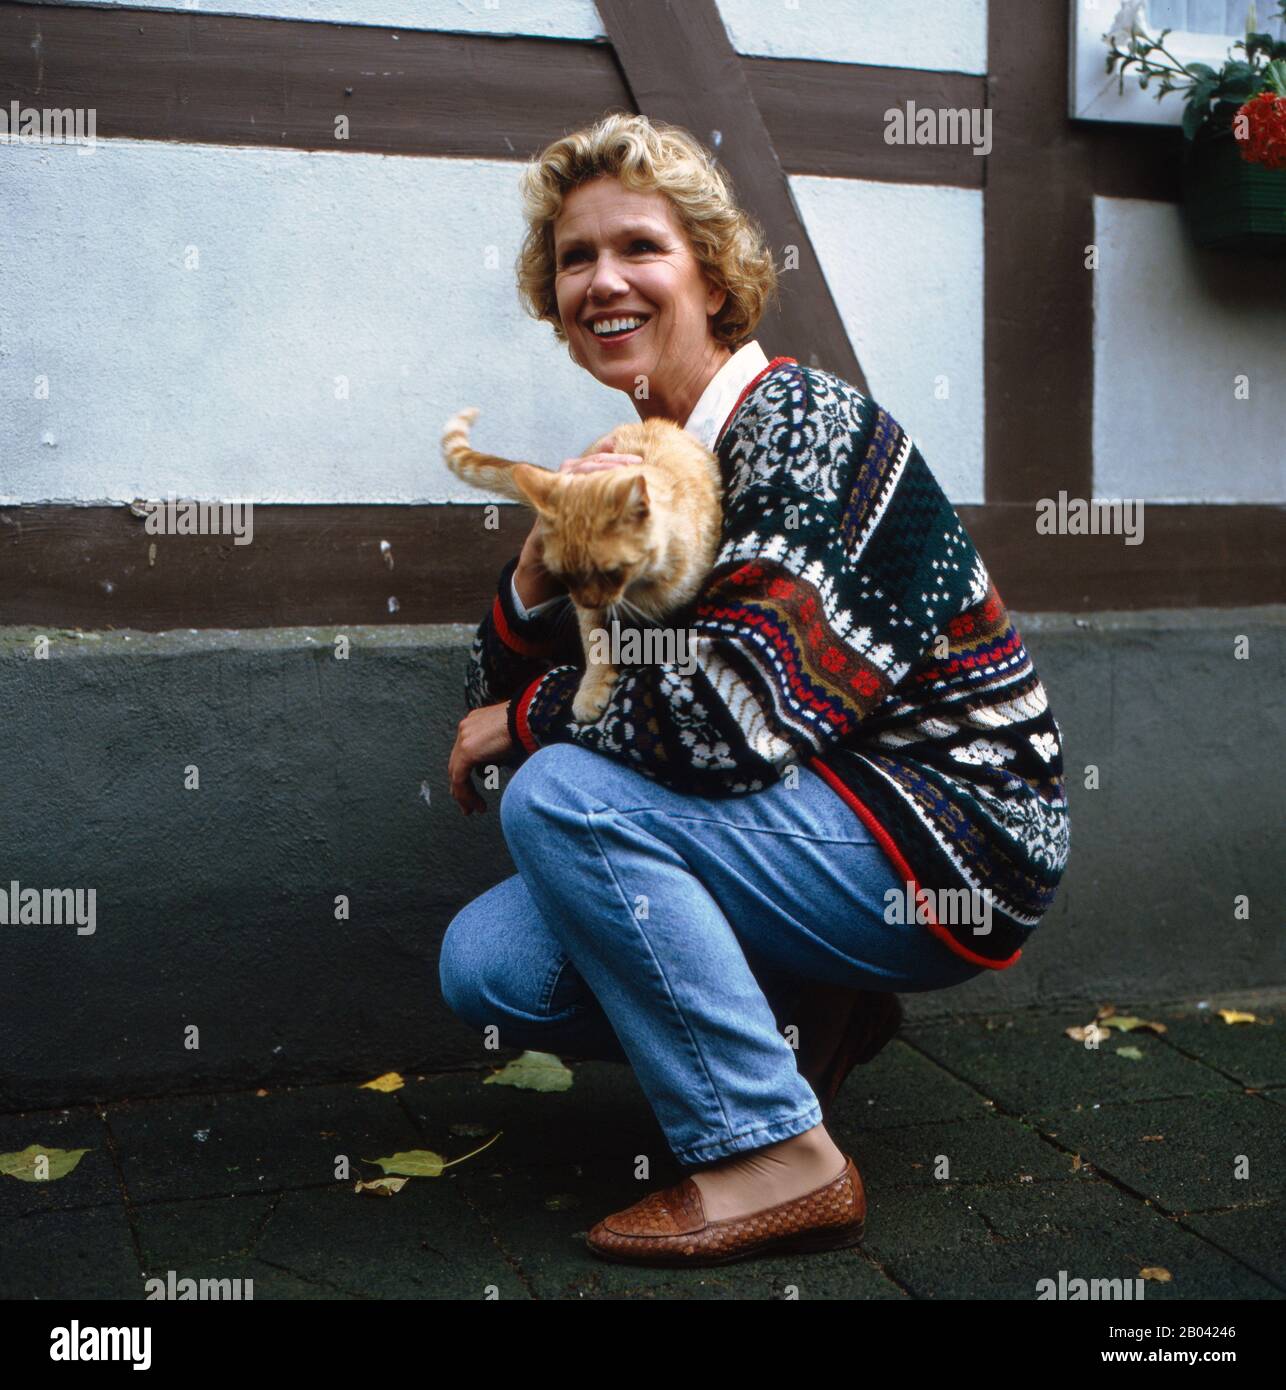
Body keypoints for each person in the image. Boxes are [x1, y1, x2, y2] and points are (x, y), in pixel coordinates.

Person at [440, 112, 1070, 1267]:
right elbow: (503, 709)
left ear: (713, 273)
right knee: (492, 969)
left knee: (564, 797)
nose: (602, 281)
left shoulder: (801, 427)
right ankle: (809, 1014)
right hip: (803, 811)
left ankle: (772, 1153)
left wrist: (528, 720)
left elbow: (730, 716)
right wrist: (532, 582)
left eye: (640, 248)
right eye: (574, 258)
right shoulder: (633, 463)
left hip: (950, 834)